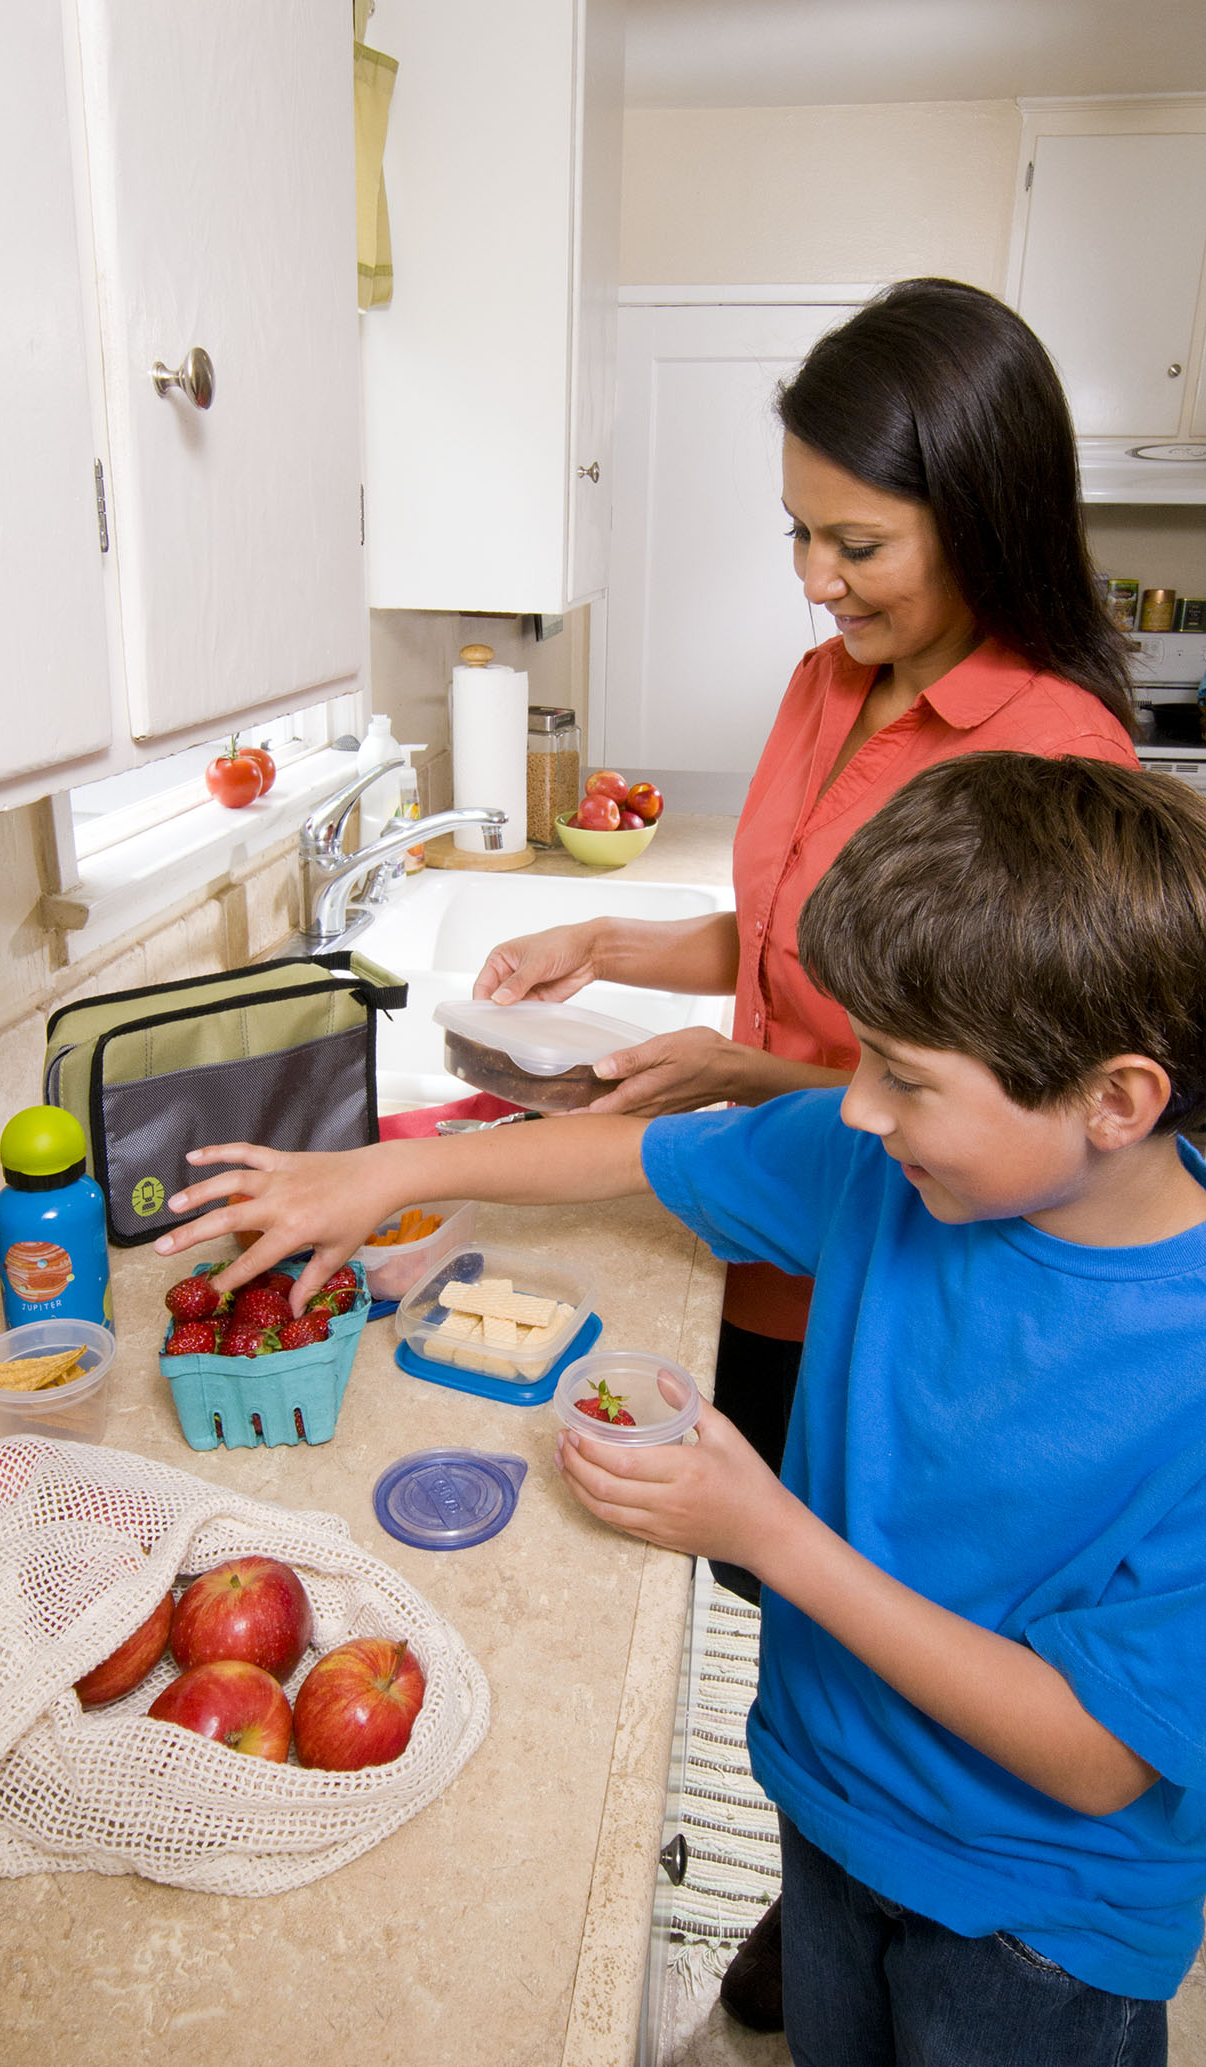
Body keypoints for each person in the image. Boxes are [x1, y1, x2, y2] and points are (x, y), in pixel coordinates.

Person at [156, 753, 1206, 2066]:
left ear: (1115, 1099)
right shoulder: (885, 1169)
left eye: (904, 1075)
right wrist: (379, 1176)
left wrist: (767, 1533)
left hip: (1036, 1923)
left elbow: (1099, 1756)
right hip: (827, 1801)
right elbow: (637, 1154)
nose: (854, 1106)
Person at [471, 276, 1141, 1606]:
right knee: (736, 1574)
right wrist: (603, 941)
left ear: (984, 520)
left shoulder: (1051, 757)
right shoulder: (829, 679)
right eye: (799, 531)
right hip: (758, 1222)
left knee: (835, 1590)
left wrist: (741, 1078)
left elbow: (1009, 1110)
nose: (814, 579)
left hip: (891, 1261)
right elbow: (789, 936)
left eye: (859, 544)